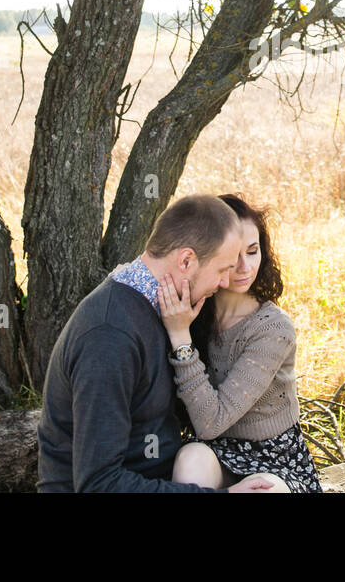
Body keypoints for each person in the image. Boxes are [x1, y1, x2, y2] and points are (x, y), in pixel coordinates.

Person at [36, 193, 277, 492]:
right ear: (186, 260)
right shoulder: (109, 335)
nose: (226, 283)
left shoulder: (165, 308)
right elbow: (98, 484)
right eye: (222, 269)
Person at [158, 193, 323, 493]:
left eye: (252, 251)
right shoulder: (192, 310)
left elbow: (211, 421)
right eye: (233, 256)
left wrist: (181, 338)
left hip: (274, 460)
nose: (245, 267)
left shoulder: (273, 328)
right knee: (190, 459)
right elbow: (205, 432)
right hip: (215, 451)